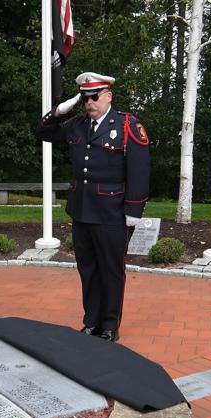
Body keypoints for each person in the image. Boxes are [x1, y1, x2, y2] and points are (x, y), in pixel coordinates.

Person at [35, 72, 151, 342]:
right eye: (86, 97)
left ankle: (109, 324)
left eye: (94, 96)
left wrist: (134, 210)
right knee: (87, 268)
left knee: (110, 269)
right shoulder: (76, 124)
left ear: (108, 96)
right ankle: (91, 320)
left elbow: (139, 170)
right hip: (82, 210)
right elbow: (43, 132)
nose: (90, 102)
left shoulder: (126, 125)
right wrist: (62, 108)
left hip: (112, 212)